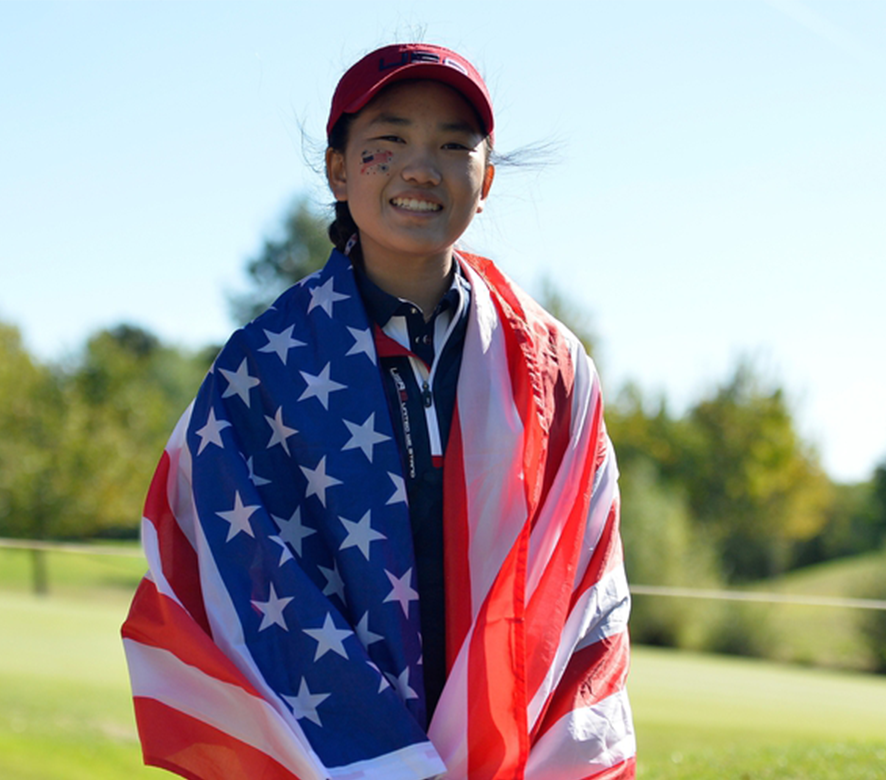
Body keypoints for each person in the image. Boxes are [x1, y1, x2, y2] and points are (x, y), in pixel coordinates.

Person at [121, 42, 635, 780]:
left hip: (508, 753)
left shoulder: (551, 368)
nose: (421, 168)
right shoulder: (262, 366)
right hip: (332, 751)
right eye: (387, 142)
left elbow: (585, 582)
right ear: (337, 169)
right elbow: (240, 572)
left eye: (454, 146)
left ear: (485, 180)